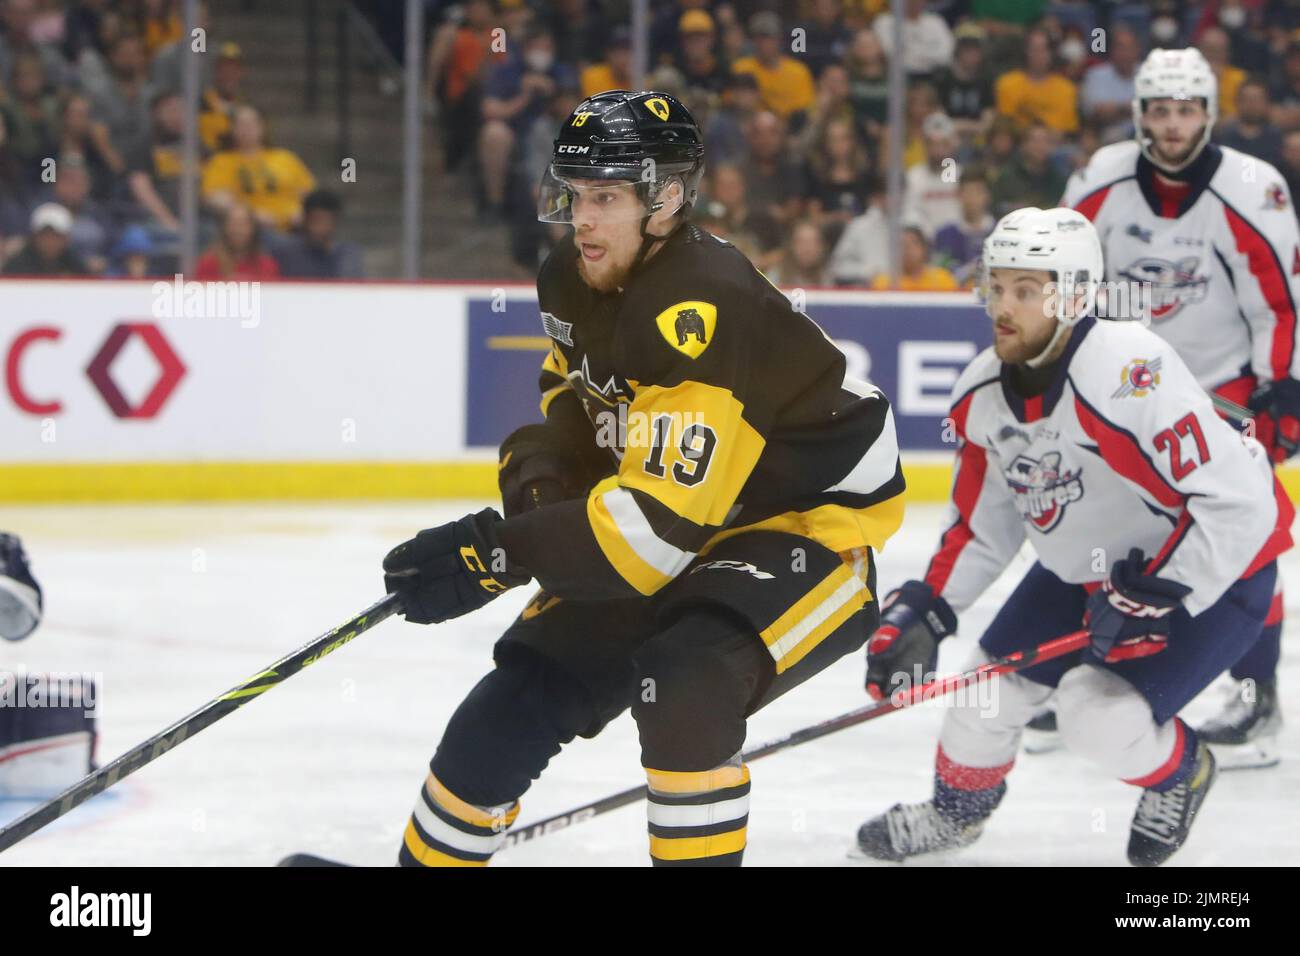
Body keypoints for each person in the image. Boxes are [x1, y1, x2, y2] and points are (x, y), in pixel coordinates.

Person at [379, 90, 904, 867]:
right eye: (573, 194)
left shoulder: (698, 303)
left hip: (804, 527)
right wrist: (539, 485)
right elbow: (573, 395)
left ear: (665, 199)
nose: (581, 219)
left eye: (606, 198)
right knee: (524, 689)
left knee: (686, 680)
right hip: (682, 511)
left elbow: (651, 540)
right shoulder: (570, 273)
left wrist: (502, 551)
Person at [853, 207, 1293, 866]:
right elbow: (983, 523)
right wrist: (929, 609)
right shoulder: (981, 395)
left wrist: (1161, 591)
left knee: (1096, 716)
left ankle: (1183, 772)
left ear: (1078, 295)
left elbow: (1242, 502)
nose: (1003, 306)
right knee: (985, 695)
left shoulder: (1126, 372)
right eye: (996, 286)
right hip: (1085, 572)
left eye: (1026, 291)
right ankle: (955, 815)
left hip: (1218, 571)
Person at [1061, 47, 1300, 769]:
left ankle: (1257, 694)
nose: (1172, 125)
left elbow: (1279, 301)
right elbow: (1062, 275)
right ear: (1139, 114)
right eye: (1159, 110)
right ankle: (1089, 673)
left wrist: (1282, 386)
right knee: (1100, 522)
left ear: (1209, 113)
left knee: (1243, 538)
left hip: (1220, 395)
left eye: (1186, 109)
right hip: (1120, 392)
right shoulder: (1100, 179)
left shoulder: (1252, 188)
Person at [201, 105, 315, 231]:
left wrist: (303, 211)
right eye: (241, 124)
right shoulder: (222, 161)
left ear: (263, 127)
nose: (247, 129)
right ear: (232, 129)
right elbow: (216, 198)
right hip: (251, 230)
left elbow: (309, 192)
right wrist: (251, 215)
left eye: (251, 124)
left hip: (294, 228)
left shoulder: (285, 157)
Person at [274, 189, 364, 279]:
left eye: (326, 222)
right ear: (305, 219)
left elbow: (350, 287)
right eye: (316, 221)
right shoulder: (286, 253)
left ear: (335, 221)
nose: (320, 228)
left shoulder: (347, 255)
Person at [193, 203, 280, 280]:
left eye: (243, 224)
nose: (238, 230)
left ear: (253, 229)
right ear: (224, 228)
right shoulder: (208, 263)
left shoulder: (266, 265)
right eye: (233, 224)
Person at [3, 202, 88, 275]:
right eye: (44, 236)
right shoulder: (17, 265)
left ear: (66, 238)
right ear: (34, 237)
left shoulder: (75, 264)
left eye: (56, 236)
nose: (49, 241)